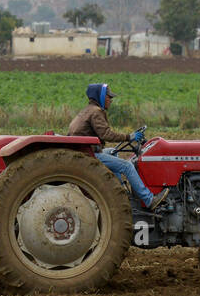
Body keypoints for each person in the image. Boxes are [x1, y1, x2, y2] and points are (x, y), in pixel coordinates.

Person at [67, 82, 165, 211]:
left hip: (84, 152)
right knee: (127, 166)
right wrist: (129, 137)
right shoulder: (96, 112)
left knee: (113, 151)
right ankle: (149, 200)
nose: (111, 100)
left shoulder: (87, 110)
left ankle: (121, 191)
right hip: (89, 155)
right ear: (100, 96)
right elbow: (106, 134)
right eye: (109, 97)